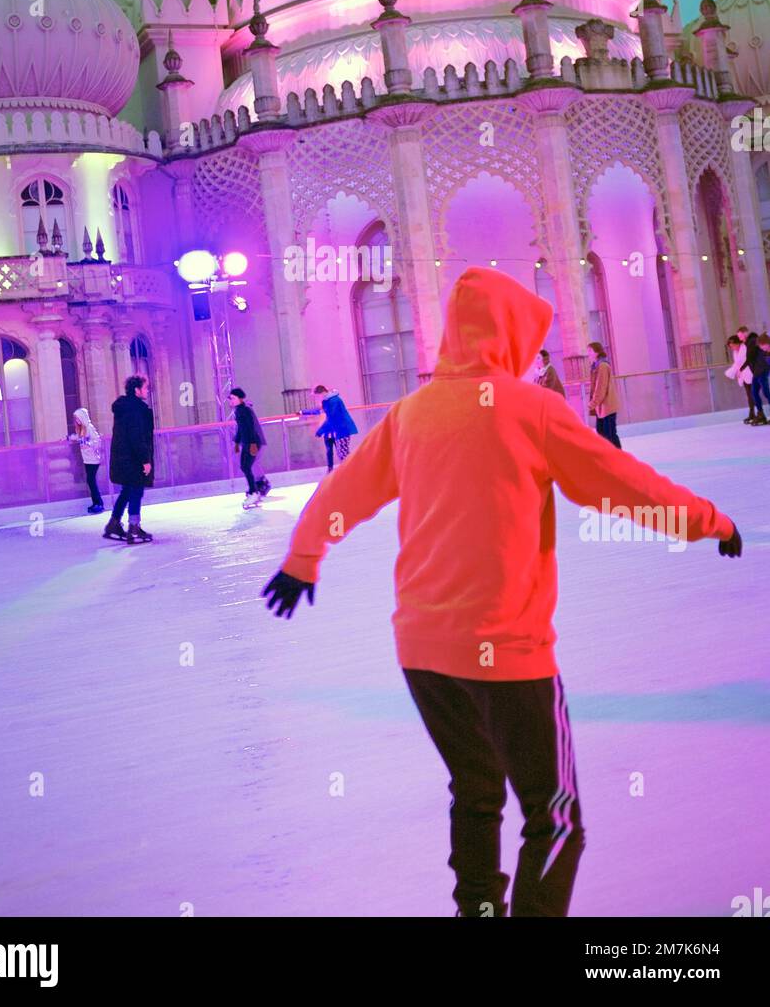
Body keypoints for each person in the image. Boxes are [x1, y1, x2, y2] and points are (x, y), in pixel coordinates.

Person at [262, 268, 741, 918]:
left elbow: (343, 492)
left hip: (423, 650)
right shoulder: (530, 409)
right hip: (506, 650)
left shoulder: (409, 414)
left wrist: (303, 559)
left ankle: (477, 910)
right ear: (510, 334)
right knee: (554, 814)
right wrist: (708, 520)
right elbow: (622, 486)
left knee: (476, 788)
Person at [103, 375, 154, 543]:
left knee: (126, 491)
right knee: (136, 491)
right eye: (145, 388)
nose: (147, 390)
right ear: (136, 390)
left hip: (123, 458)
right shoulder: (136, 409)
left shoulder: (124, 407)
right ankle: (134, 527)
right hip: (133, 458)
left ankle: (114, 523)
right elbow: (137, 436)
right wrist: (145, 460)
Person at [230, 388, 269, 507]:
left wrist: (252, 444)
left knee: (247, 466)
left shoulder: (245, 410)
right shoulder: (239, 411)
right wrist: (236, 442)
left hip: (252, 443)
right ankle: (254, 491)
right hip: (247, 443)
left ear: (239, 398)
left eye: (233, 398)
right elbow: (241, 429)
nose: (231, 400)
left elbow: (251, 427)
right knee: (245, 466)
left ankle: (255, 491)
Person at [313, 384, 359, 471]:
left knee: (343, 452)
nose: (318, 399)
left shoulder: (333, 401)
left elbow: (332, 418)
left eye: (317, 397)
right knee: (342, 451)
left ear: (321, 393)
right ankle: (349, 469)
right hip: (340, 430)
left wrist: (320, 431)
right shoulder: (329, 401)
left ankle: (350, 470)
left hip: (342, 429)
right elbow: (328, 416)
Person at [69, 407, 104, 513]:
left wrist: (88, 443)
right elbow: (78, 438)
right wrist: (69, 438)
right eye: (76, 419)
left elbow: (97, 440)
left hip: (93, 459)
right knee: (90, 481)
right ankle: (96, 503)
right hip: (87, 460)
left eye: (78, 418)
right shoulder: (82, 429)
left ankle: (99, 504)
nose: (77, 421)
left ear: (83, 417)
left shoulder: (89, 427)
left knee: (91, 481)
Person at [588, 341, 621, 448]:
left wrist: (593, 403)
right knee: (602, 435)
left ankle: (619, 459)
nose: (588, 353)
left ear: (597, 352)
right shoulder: (595, 366)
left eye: (590, 351)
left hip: (607, 407)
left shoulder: (602, 366)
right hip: (601, 408)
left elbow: (600, 388)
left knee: (609, 436)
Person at [727, 332, 756, 423]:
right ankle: (752, 414)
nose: (731, 348)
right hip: (743, 375)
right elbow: (737, 364)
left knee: (754, 395)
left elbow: (747, 361)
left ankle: (757, 413)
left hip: (750, 373)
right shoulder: (735, 352)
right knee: (749, 395)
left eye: (732, 346)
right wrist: (735, 372)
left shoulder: (745, 348)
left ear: (737, 343)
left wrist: (739, 370)